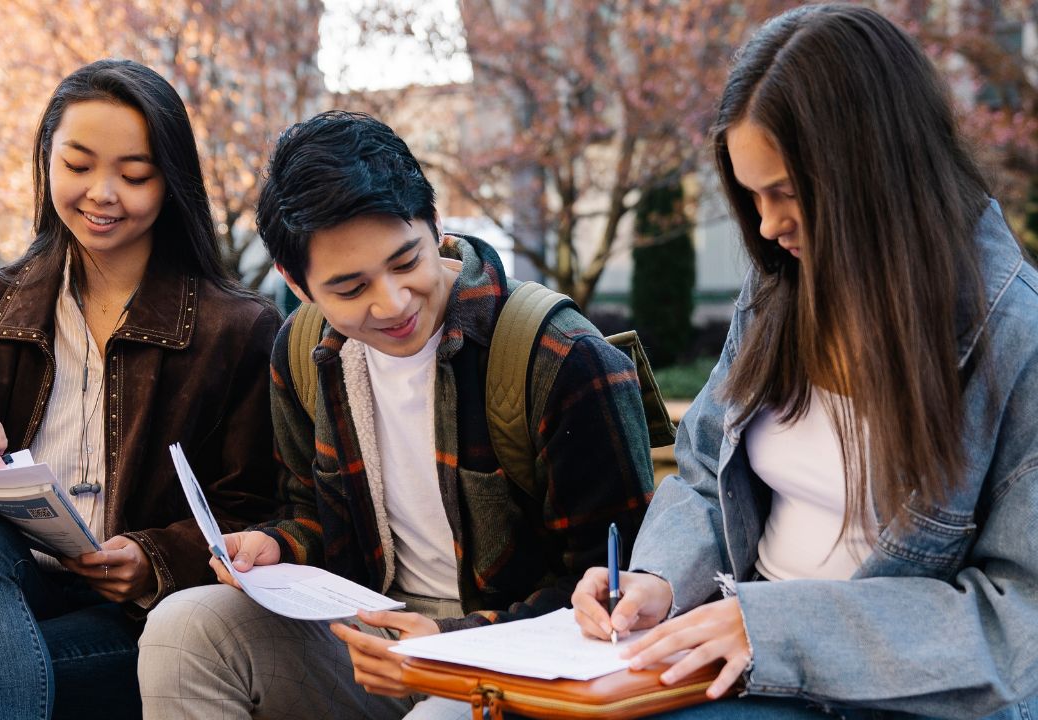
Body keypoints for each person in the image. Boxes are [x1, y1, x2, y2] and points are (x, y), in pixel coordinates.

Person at [569, 5, 1038, 718]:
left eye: (786, 193)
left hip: (897, 696)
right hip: (746, 658)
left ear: (876, 168)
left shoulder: (1018, 338)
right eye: (751, 196)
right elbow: (702, 477)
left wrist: (774, 628)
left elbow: (1018, 625)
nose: (765, 226)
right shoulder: (781, 284)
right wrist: (658, 579)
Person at [136, 110, 655, 719]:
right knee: (185, 628)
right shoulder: (305, 353)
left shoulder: (559, 357)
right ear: (298, 285)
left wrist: (453, 641)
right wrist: (275, 545)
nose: (392, 303)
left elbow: (617, 588)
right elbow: (310, 515)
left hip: (514, 661)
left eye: (407, 262)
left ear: (435, 224)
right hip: (374, 642)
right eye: (351, 289)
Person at [0, 59, 281, 720]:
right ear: (47, 160)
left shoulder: (237, 328)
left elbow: (259, 507)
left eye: (134, 173)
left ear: (171, 180)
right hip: (0, 592)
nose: (102, 193)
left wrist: (154, 559)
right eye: (79, 165)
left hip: (143, 622)